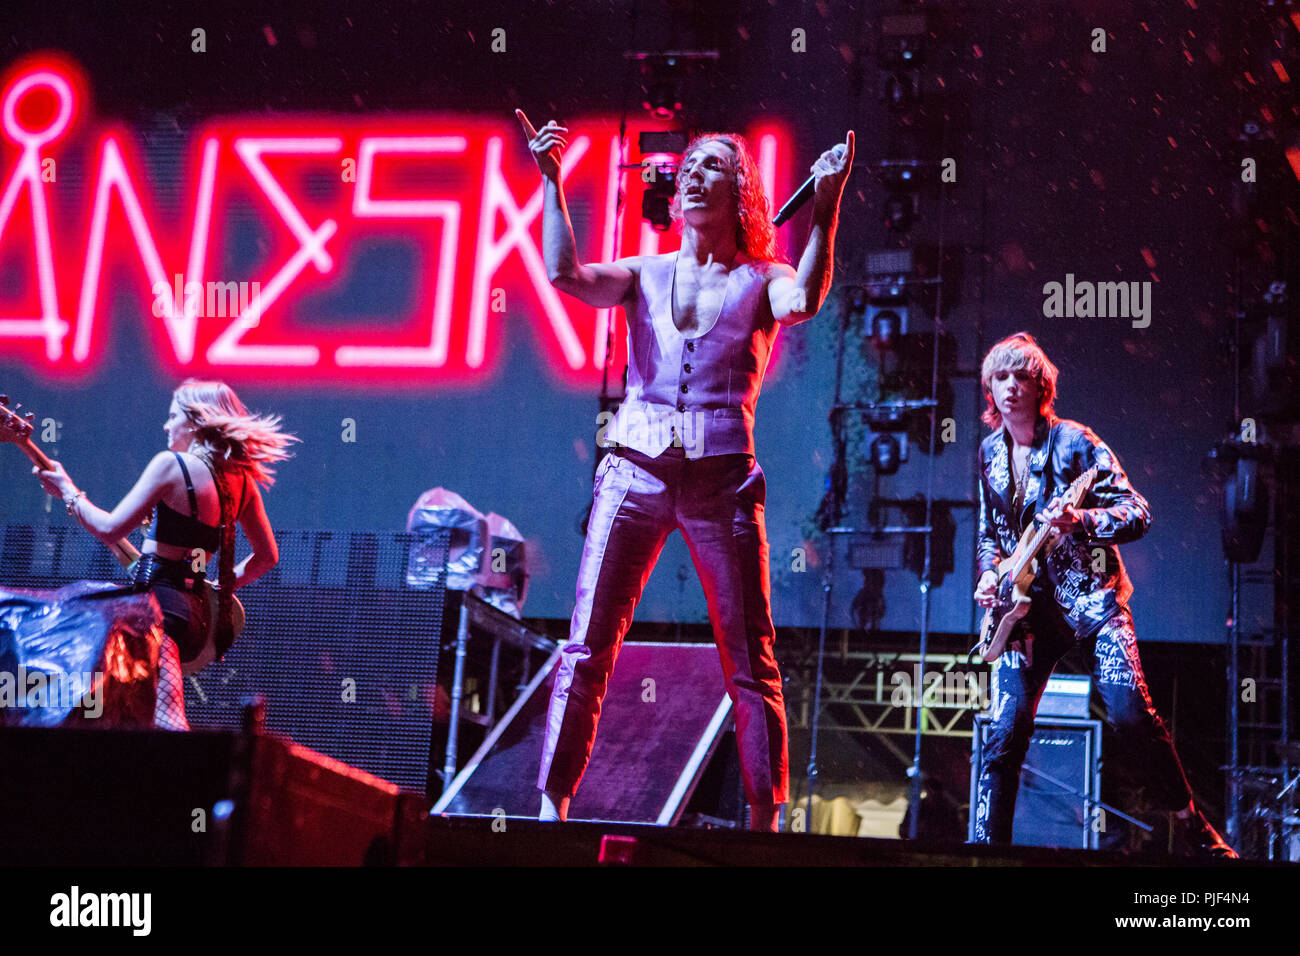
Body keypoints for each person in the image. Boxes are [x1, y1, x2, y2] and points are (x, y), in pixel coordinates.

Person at [517, 108, 853, 831]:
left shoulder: (765, 277)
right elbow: (564, 273)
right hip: (634, 474)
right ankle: (553, 808)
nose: (693, 176)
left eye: (713, 168)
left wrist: (825, 213)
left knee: (749, 657)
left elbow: (807, 300)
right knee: (587, 645)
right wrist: (550, 179)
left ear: (741, 195)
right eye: (690, 166)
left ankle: (765, 821)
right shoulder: (645, 270)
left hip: (722, 485)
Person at [971, 333, 1236, 857]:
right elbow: (989, 532)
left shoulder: (1074, 442)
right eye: (999, 378)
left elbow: (1138, 511)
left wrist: (1082, 521)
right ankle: (984, 851)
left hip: (1093, 600)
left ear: (1040, 385)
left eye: (1020, 376)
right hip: (1025, 612)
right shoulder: (988, 453)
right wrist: (987, 574)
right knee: (1003, 733)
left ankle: (1191, 825)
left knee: (1131, 714)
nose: (1009, 388)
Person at [35, 380, 294, 730]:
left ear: (194, 420)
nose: (166, 425)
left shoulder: (171, 465)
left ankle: (199, 783)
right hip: (198, 618)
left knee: (168, 719)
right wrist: (220, 587)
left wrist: (68, 491)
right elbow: (267, 557)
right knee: (140, 714)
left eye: (172, 416)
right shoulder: (242, 482)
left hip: (157, 613)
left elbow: (110, 528)